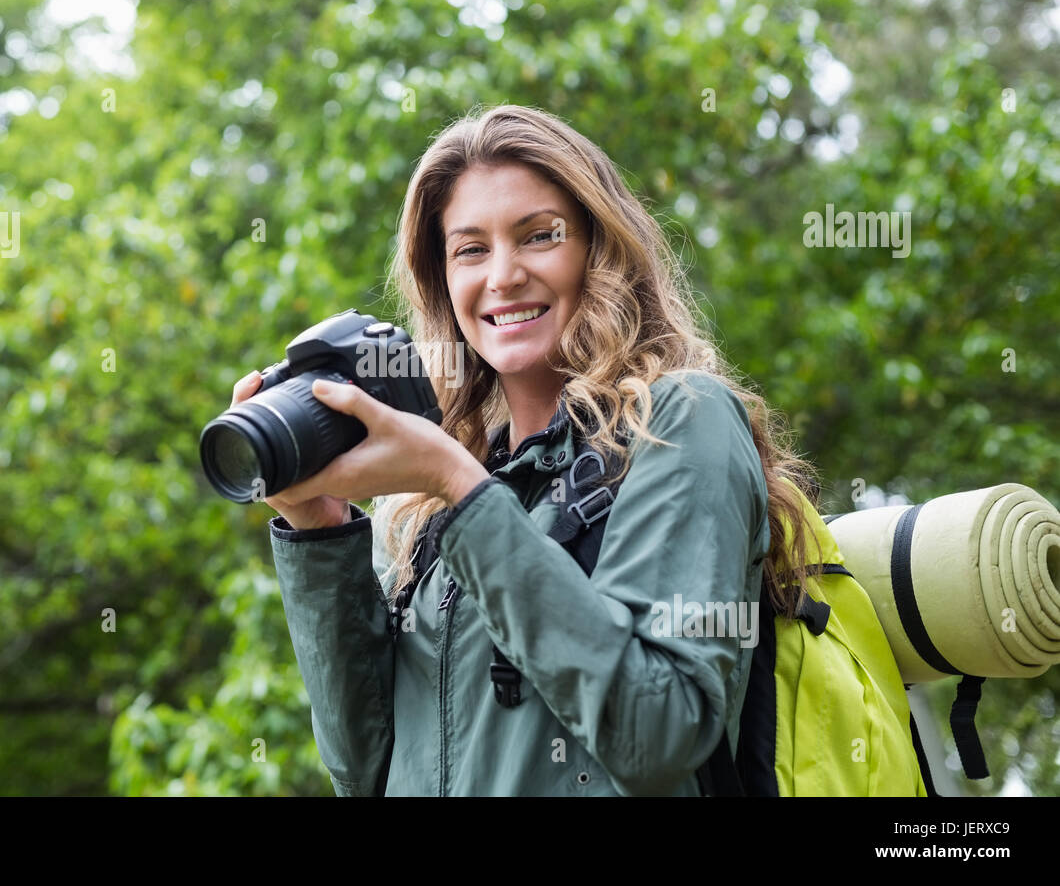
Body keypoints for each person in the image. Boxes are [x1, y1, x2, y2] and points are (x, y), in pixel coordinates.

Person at [229, 104, 819, 796]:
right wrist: (321, 528)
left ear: (597, 250)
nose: (502, 276)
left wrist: (463, 488)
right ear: (443, 281)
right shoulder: (417, 500)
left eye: (539, 237)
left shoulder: (680, 421)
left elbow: (659, 734)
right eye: (471, 249)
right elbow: (364, 772)